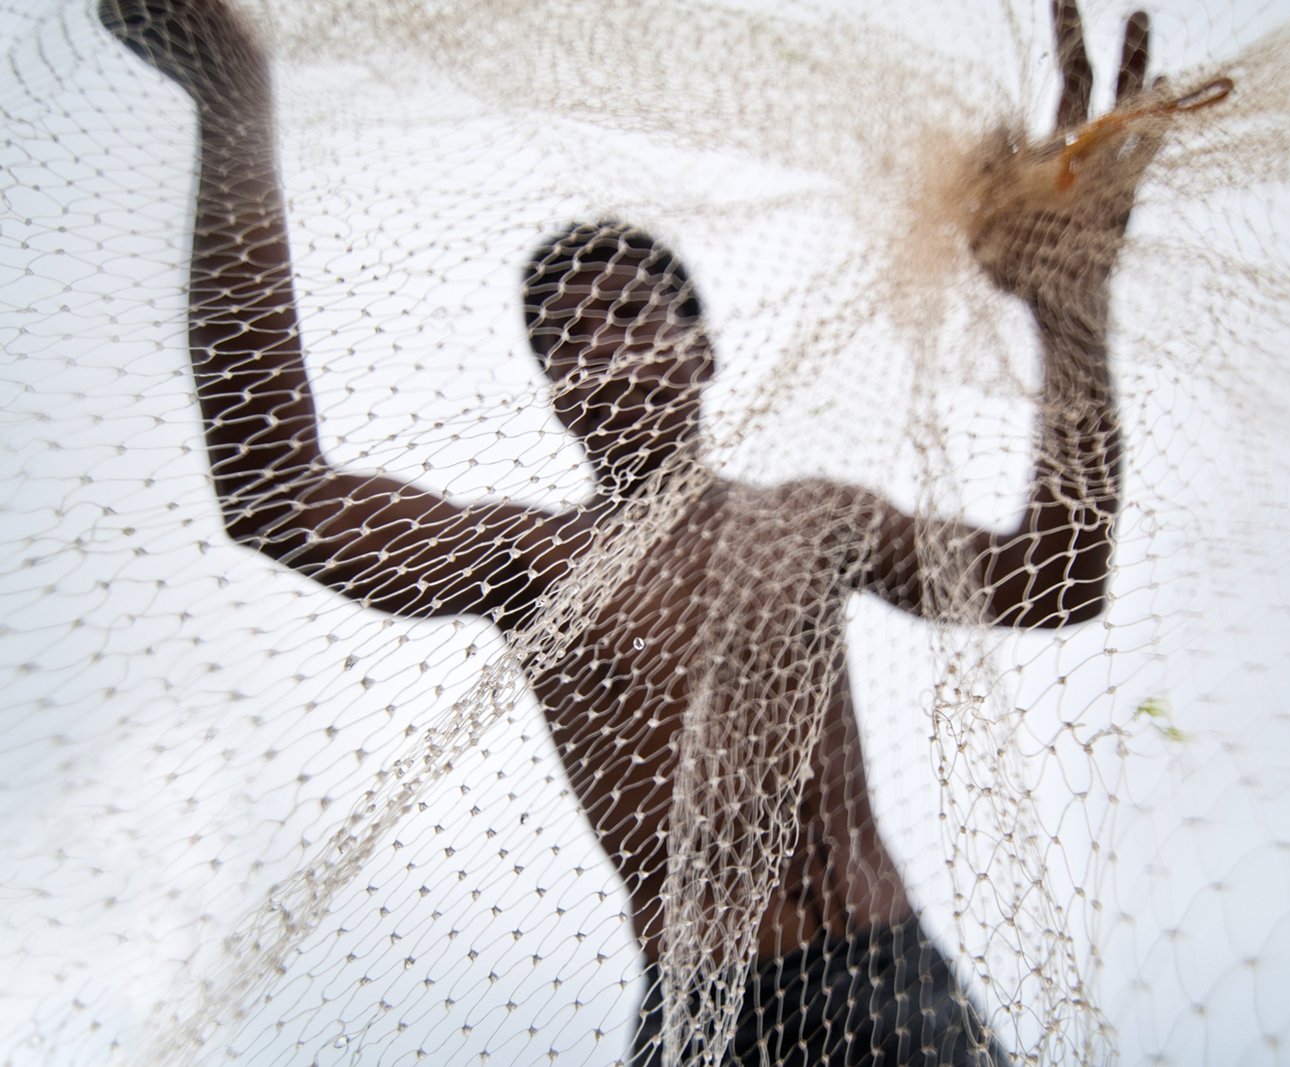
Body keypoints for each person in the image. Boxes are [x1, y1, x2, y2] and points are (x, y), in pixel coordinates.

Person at [99, 0, 1166, 1062]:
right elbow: (275, 489)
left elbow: (1056, 581)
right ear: (554, 398)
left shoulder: (812, 516)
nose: (590, 354)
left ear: (699, 351)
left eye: (619, 316)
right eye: (560, 343)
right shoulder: (531, 557)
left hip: (886, 981)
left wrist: (1069, 307)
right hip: (704, 1012)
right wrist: (232, 100)